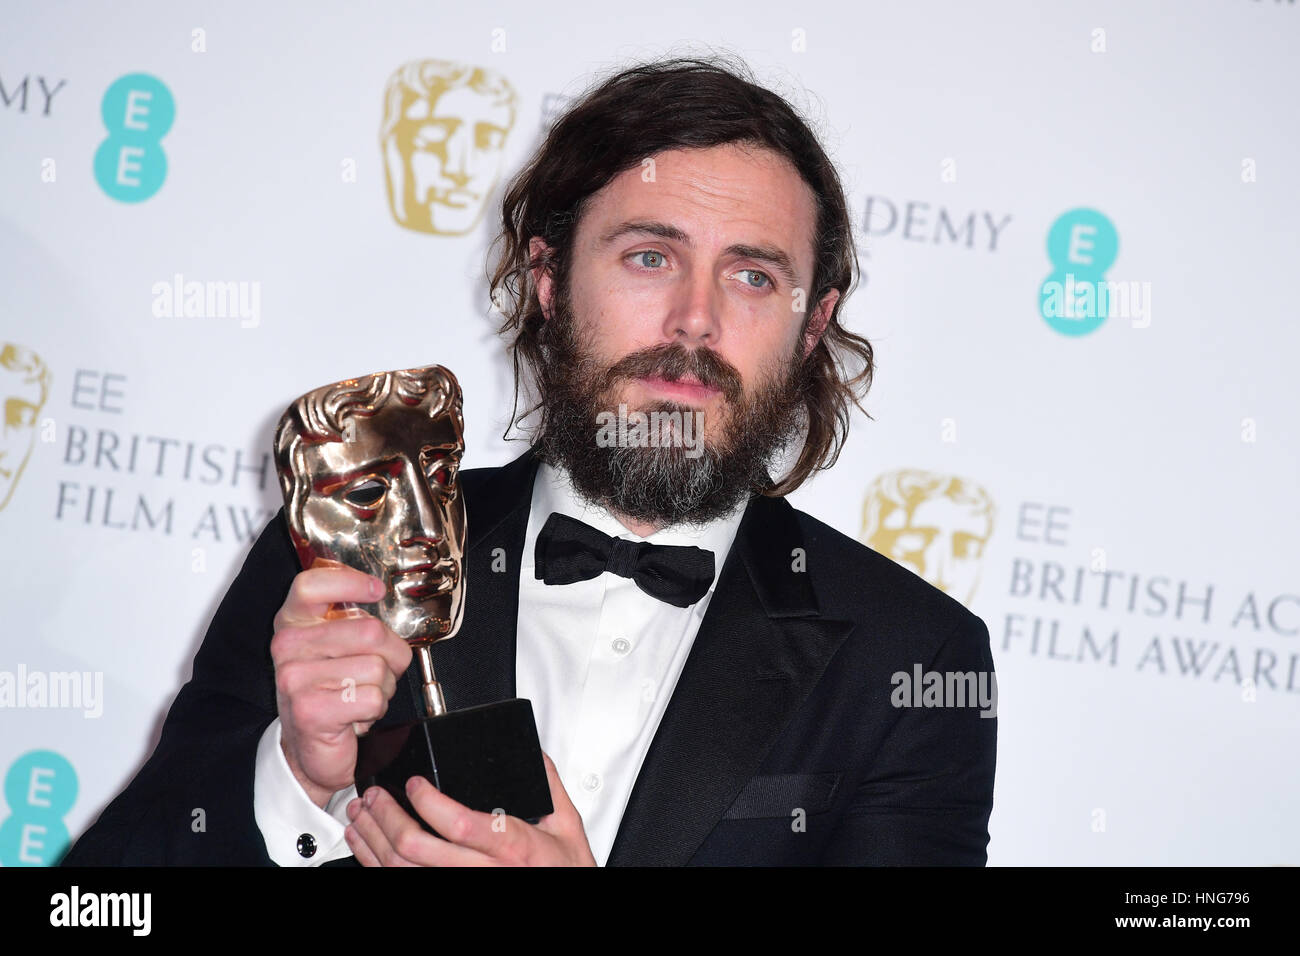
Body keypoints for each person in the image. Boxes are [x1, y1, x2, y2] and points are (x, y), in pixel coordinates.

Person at [62, 54, 996, 867]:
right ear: (547, 279)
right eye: (648, 257)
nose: (697, 320)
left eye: (754, 276)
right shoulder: (351, 552)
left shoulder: (911, 661)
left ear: (810, 328)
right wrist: (295, 783)